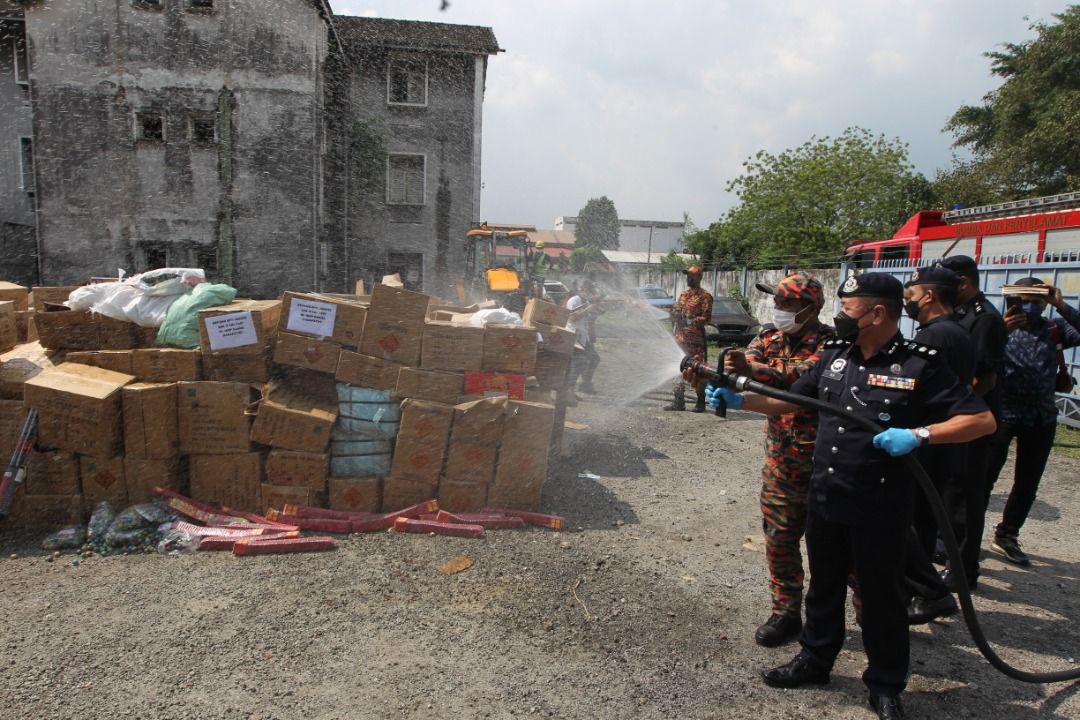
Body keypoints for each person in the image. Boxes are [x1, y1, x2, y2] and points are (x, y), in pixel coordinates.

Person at [708, 272, 995, 720]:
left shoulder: (920, 363)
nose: (840, 317)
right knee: (823, 591)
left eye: (848, 308)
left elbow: (980, 422)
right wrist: (739, 400)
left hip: (879, 505)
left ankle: (884, 684)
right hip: (826, 496)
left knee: (881, 599)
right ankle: (815, 660)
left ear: (877, 313)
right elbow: (795, 402)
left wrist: (918, 434)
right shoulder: (835, 355)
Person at [724, 272, 835, 646]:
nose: (779, 309)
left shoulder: (832, 343)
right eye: (778, 302)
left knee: (836, 550)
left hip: (826, 466)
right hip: (781, 464)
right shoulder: (768, 336)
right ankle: (786, 612)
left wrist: (749, 370)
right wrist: (723, 373)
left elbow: (802, 377)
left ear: (810, 308)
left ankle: (858, 620)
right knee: (780, 541)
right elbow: (746, 364)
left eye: (787, 304)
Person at [983, 277, 1080, 566]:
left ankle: (1007, 534)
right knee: (983, 477)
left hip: (1042, 416)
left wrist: (1060, 304)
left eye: (1037, 302)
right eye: (1023, 300)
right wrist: (1001, 329)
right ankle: (965, 533)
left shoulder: (1053, 328)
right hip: (1003, 414)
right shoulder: (996, 329)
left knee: (1027, 482)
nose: (1029, 307)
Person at [900, 264, 973, 625]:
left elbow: (912, 391)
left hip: (926, 440)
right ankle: (920, 594)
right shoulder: (956, 332)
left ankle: (927, 592)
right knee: (925, 521)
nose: (907, 301)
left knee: (906, 521)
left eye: (910, 294)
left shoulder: (932, 338)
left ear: (928, 295)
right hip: (944, 441)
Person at [936, 255, 1008, 591]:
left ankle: (963, 569)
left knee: (966, 497)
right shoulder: (960, 315)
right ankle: (948, 551)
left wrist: (957, 411)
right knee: (949, 493)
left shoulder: (985, 319)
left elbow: (985, 379)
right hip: (954, 419)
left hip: (972, 422)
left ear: (962, 282)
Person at [667, 266, 713, 412]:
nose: (688, 278)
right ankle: (678, 401)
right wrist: (673, 314)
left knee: (698, 370)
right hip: (680, 338)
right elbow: (676, 311)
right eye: (687, 276)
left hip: (695, 341)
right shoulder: (683, 294)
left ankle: (700, 402)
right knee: (677, 368)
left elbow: (706, 318)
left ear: (699, 277)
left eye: (691, 276)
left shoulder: (705, 296)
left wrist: (691, 320)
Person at [566, 280, 602, 399]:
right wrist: (588, 309)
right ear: (582, 289)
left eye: (591, 291)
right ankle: (569, 391)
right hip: (574, 336)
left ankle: (585, 384)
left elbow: (591, 317)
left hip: (583, 337)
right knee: (578, 363)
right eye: (588, 290)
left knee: (594, 359)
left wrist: (598, 308)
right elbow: (572, 318)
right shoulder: (574, 301)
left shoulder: (586, 301)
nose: (590, 293)